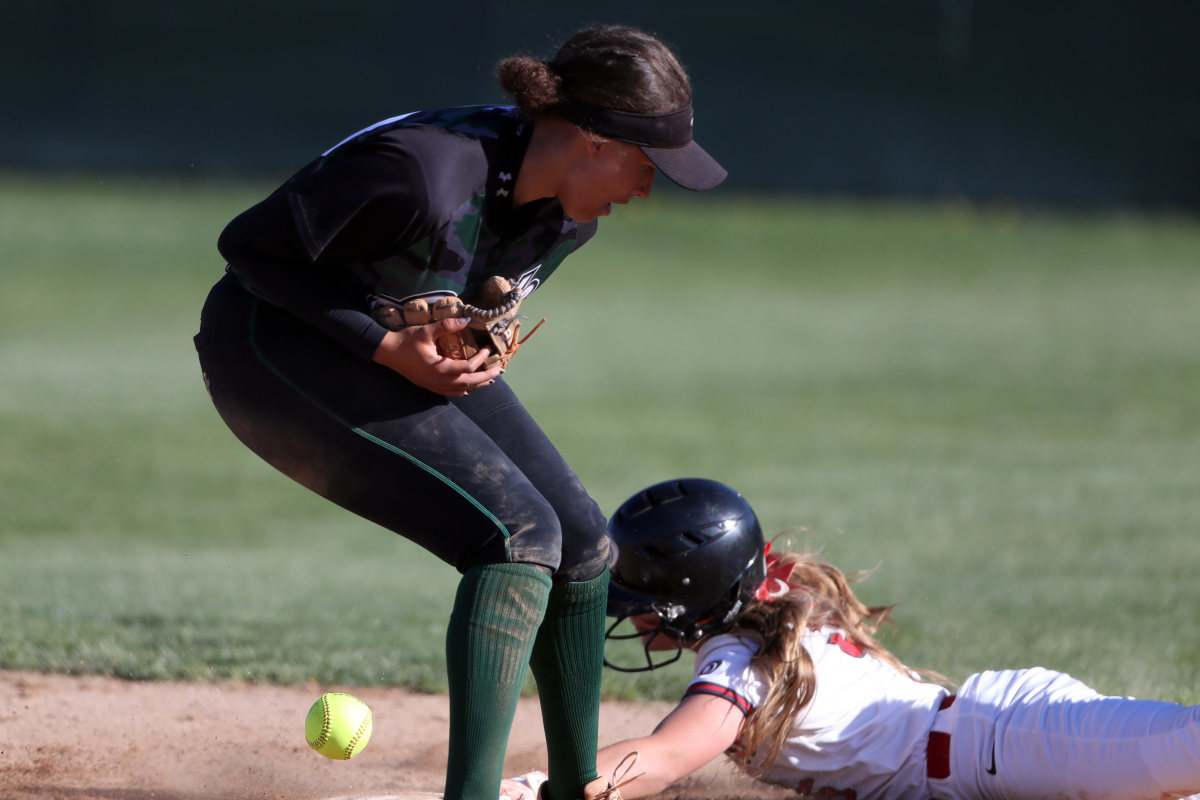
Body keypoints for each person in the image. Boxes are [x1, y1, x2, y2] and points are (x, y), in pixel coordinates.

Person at [192, 26, 726, 800]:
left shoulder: (571, 217)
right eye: (646, 166)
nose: (647, 188)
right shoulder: (422, 175)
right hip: (268, 347)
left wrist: (471, 338)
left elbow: (461, 291)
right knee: (517, 536)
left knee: (580, 541)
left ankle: (578, 788)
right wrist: (383, 346)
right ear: (590, 141)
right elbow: (246, 248)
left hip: (379, 345)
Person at [577, 477, 1200, 800]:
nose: (631, 612)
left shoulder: (740, 660)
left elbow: (659, 760)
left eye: (641, 597)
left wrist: (526, 789)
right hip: (999, 755)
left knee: (1187, 746)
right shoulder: (764, 620)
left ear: (689, 600)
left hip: (1015, 745)